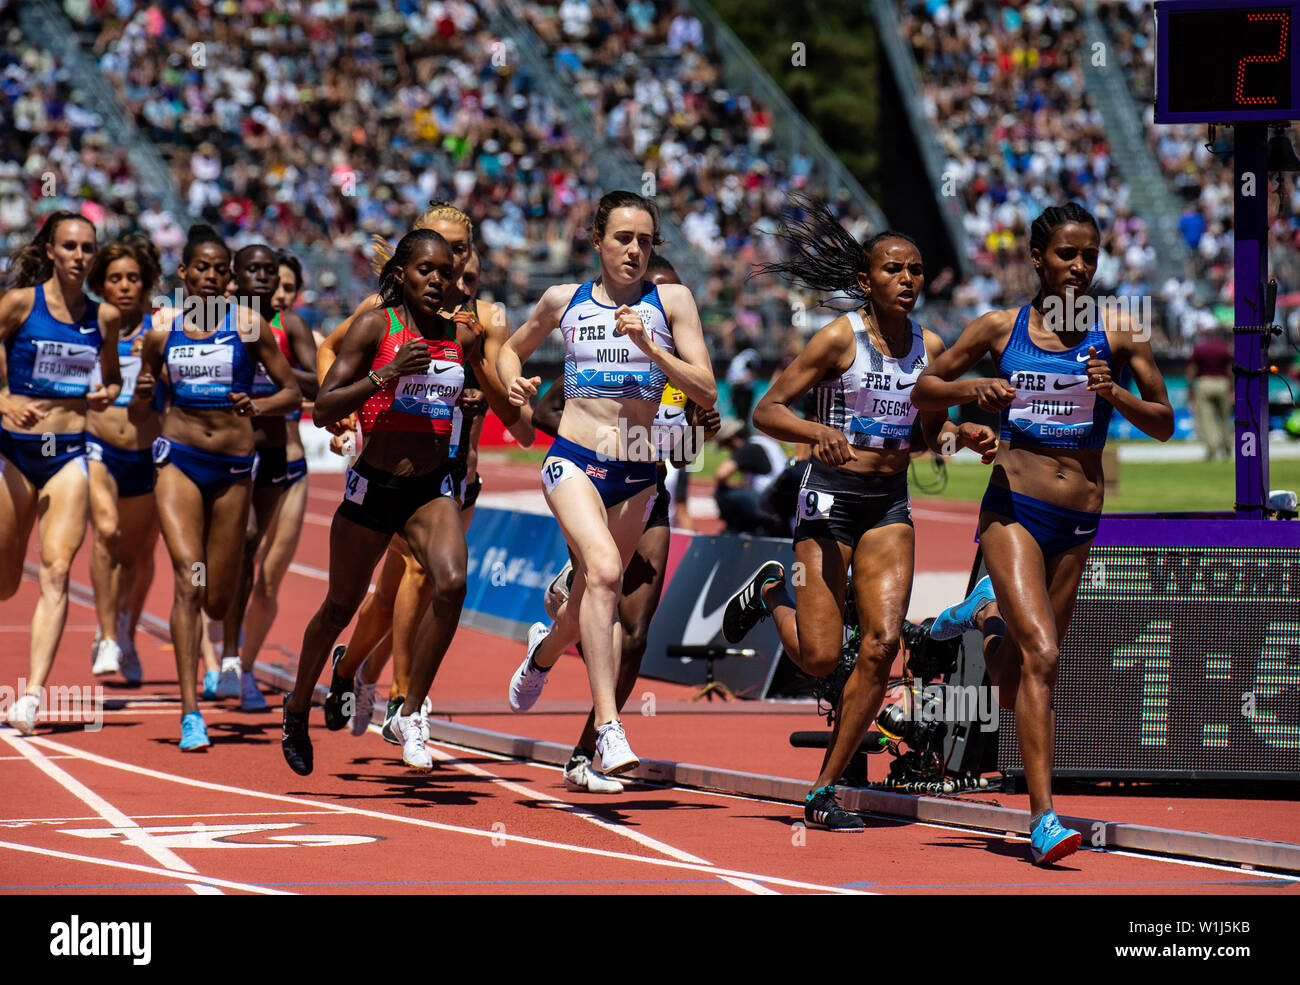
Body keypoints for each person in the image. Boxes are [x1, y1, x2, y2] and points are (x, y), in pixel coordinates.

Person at [720, 196, 997, 832]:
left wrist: (967, 436)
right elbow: (767, 410)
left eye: (917, 270)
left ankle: (823, 793)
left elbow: (929, 436)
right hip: (828, 501)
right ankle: (769, 591)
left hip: (889, 504)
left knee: (880, 644)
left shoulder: (930, 346)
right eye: (894, 269)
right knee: (819, 657)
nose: (908, 280)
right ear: (866, 280)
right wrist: (815, 430)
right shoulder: (838, 339)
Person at [909, 202, 1173, 865]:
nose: (1079, 268)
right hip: (1014, 508)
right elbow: (925, 389)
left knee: (1019, 672)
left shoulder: (1119, 332)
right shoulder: (1004, 327)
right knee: (1047, 656)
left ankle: (984, 612)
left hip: (1080, 518)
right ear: (1036, 257)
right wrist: (978, 391)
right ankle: (1043, 818)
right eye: (1065, 254)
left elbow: (1165, 420)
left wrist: (1114, 395)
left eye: (1089, 256)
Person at [497, 190, 717, 777]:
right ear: (597, 241)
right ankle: (609, 728)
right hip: (573, 460)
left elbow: (706, 390)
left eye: (645, 240)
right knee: (605, 574)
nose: (635, 250)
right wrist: (514, 384)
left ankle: (542, 654)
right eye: (623, 238)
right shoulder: (562, 299)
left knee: (586, 602)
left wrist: (652, 349)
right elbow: (509, 352)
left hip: (640, 470)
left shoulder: (672, 302)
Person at [281, 226, 513, 775]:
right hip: (375, 486)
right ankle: (295, 708)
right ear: (401, 275)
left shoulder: (462, 334)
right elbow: (324, 405)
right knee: (340, 606)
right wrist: (386, 374)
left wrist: (479, 392)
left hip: (430, 488)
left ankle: (411, 710)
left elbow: (478, 398)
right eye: (424, 271)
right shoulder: (375, 325)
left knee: (452, 582)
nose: (437, 280)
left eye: (445, 272)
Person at [133, 224, 301, 750]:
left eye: (219, 270)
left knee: (217, 596)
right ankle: (190, 713)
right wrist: (141, 392)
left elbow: (292, 391)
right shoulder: (162, 334)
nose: (210, 277)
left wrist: (259, 406)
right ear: (184, 274)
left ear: (228, 280)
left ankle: (219, 654)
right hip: (179, 461)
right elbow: (145, 403)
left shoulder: (250, 326)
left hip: (232, 471)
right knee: (188, 578)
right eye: (200, 268)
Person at [0, 211, 124, 734]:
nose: (78, 256)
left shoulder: (105, 318)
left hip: (68, 455)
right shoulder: (18, 305)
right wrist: (3, 399)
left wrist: (105, 393)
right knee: (6, 584)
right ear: (50, 250)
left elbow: (114, 380)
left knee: (55, 570)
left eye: (87, 248)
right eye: (69, 246)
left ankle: (30, 697)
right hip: (13, 453)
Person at [214, 245, 319, 707]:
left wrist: (276, 369)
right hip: (232, 454)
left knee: (266, 574)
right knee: (228, 560)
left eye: (287, 287)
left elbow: (319, 386)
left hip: (286, 459)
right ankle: (220, 657)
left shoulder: (291, 328)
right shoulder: (218, 319)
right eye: (269, 281)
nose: (278, 293)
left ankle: (244, 666)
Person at [85, 236, 165, 686]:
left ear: (146, 282)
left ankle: (126, 634)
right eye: (115, 278)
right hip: (100, 446)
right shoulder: (89, 325)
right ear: (101, 283)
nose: (125, 286)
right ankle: (105, 634)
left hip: (147, 452)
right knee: (107, 534)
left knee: (136, 554)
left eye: (133, 278)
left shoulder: (160, 329)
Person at [712, 418, 788, 535]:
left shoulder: (748, 448)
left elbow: (720, 475)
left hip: (769, 501)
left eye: (726, 446)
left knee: (722, 492)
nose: (729, 451)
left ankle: (741, 528)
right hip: (780, 497)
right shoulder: (762, 442)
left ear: (732, 439)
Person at [1187, 327, 1232, 461]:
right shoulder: (1225, 348)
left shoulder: (1199, 348)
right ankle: (1227, 447)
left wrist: (1190, 389)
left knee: (1206, 419)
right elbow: (1230, 370)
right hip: (1222, 382)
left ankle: (1212, 447)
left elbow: (1192, 370)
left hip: (1204, 382)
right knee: (1225, 417)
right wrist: (1232, 388)